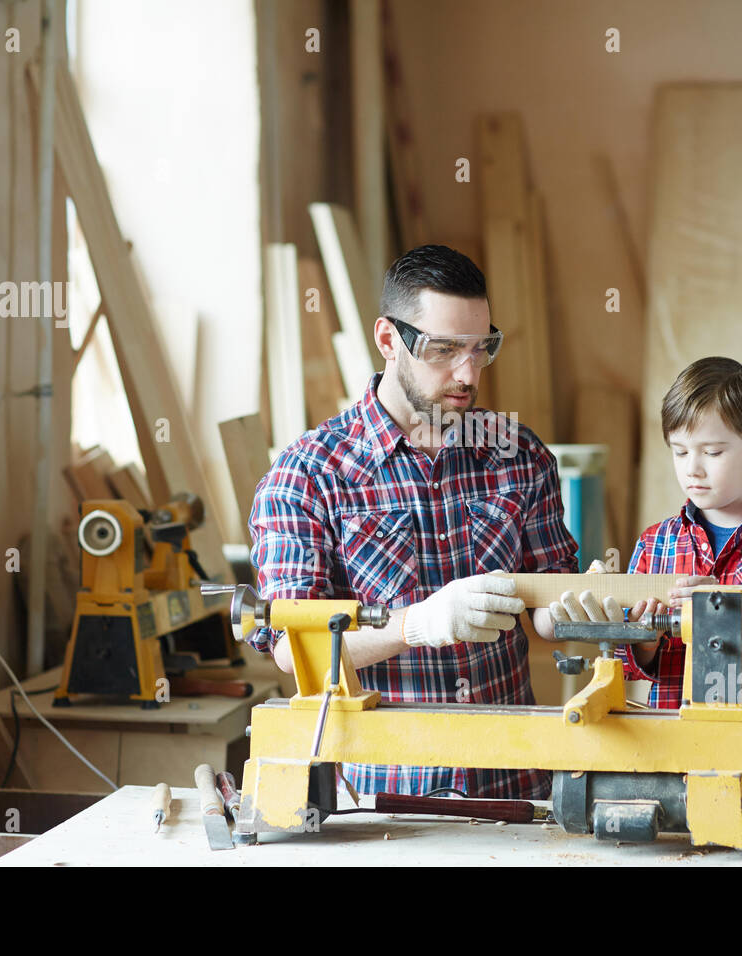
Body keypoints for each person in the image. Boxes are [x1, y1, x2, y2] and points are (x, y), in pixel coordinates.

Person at [248, 244, 579, 800]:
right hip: (383, 795)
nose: (467, 374)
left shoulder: (518, 454)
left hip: (515, 782)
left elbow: (548, 606)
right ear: (388, 340)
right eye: (445, 349)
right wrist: (414, 626)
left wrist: (582, 613)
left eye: (481, 349)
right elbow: (290, 646)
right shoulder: (308, 473)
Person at [549, 356, 742, 808]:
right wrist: (648, 637)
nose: (692, 468)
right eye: (680, 451)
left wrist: (724, 610)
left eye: (712, 452)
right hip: (673, 759)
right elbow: (635, 665)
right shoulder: (656, 544)